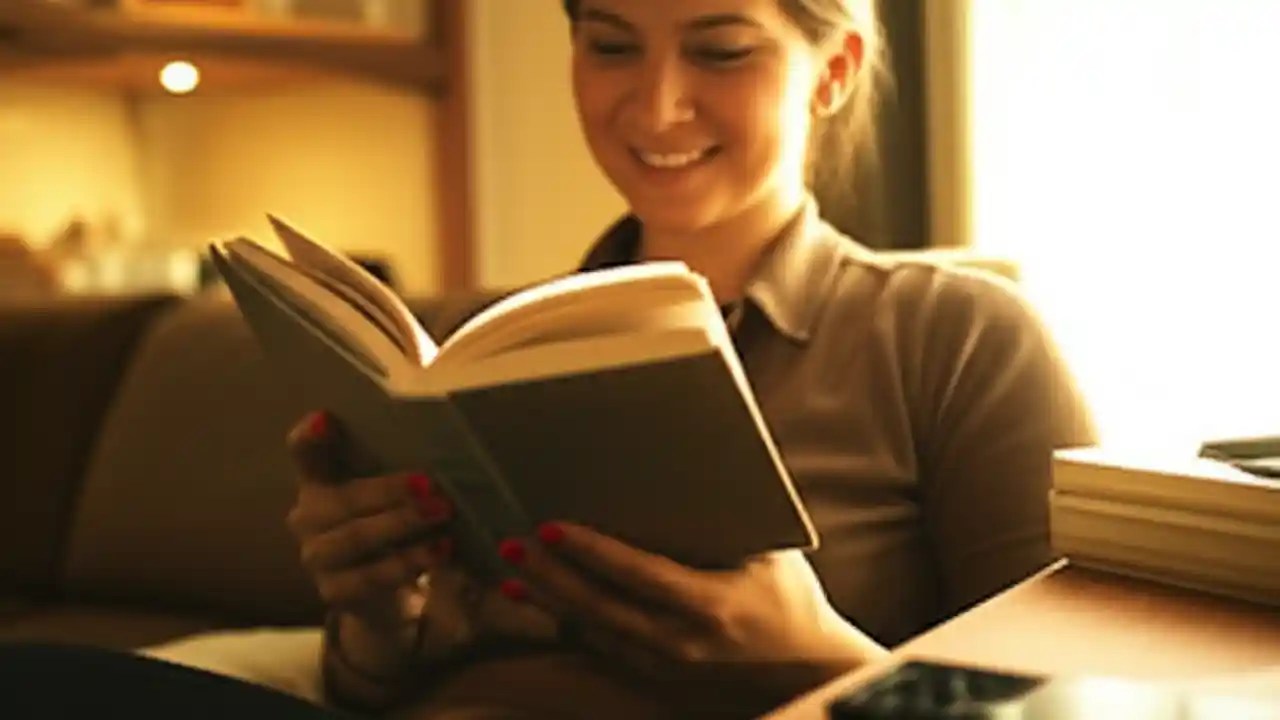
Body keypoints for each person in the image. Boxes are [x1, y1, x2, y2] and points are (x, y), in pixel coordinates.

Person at [285, 1, 1096, 718]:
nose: (659, 105)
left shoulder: (955, 340)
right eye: (610, 46)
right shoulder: (488, 349)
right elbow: (368, 690)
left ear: (833, 72)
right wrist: (378, 625)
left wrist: (820, 659)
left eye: (721, 51)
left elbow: (1073, 704)